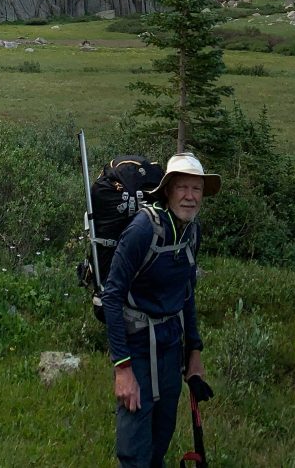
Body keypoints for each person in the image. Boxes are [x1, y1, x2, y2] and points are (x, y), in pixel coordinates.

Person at [100, 152, 217, 468]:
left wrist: (194, 353)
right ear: (167, 190)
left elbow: (187, 294)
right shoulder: (143, 229)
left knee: (160, 439)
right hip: (137, 347)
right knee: (135, 449)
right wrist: (122, 369)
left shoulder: (191, 231)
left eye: (197, 189)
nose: (190, 196)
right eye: (182, 187)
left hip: (170, 346)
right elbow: (112, 296)